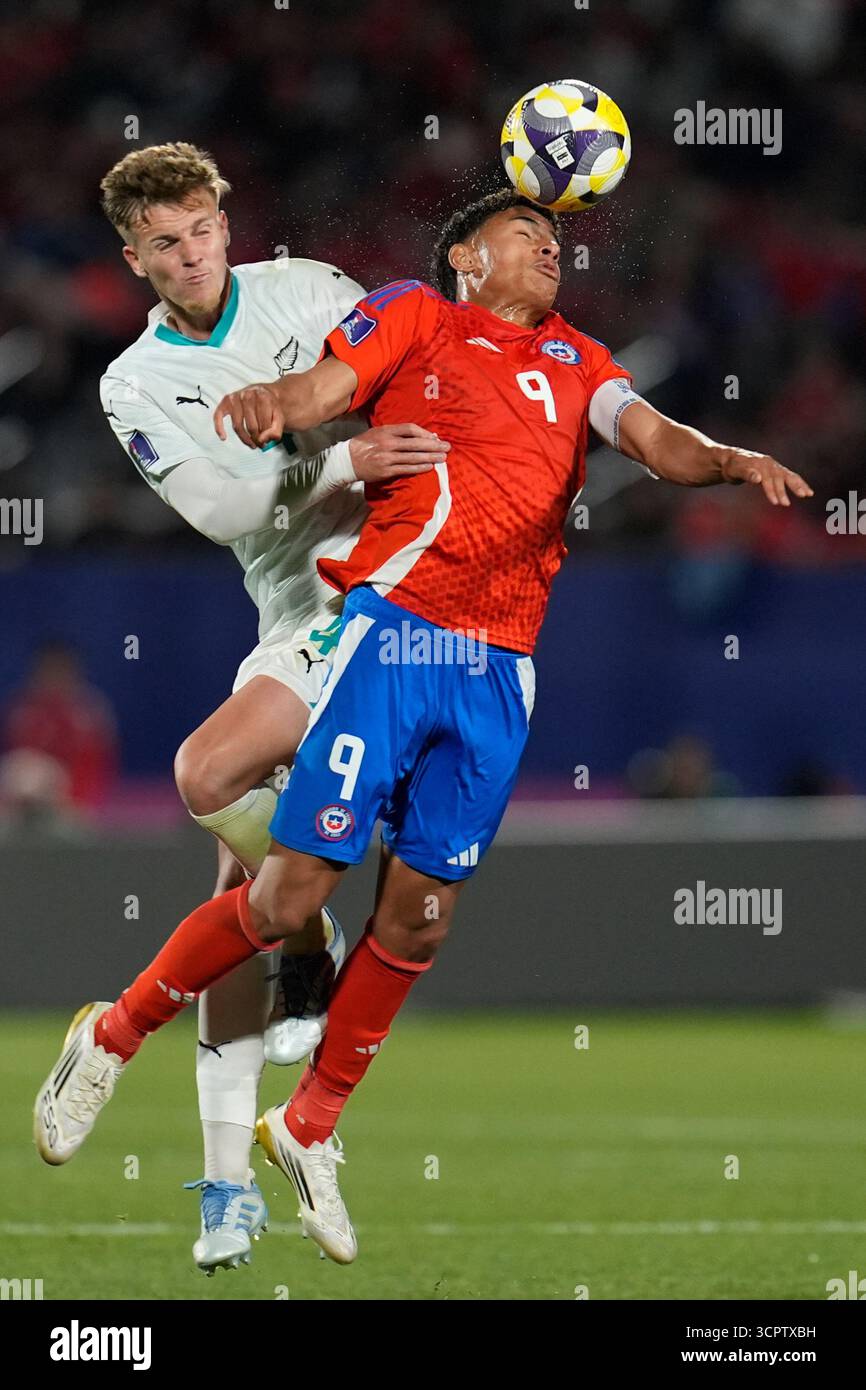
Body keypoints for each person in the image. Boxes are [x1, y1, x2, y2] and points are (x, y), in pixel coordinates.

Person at [35, 186, 813, 1268]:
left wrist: (727, 458)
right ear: (461, 257)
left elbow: (652, 437)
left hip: (498, 669)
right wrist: (283, 404)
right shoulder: (413, 313)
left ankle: (302, 1127)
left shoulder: (579, 360)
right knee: (280, 877)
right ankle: (113, 1036)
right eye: (521, 234)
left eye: (553, 237)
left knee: (420, 918)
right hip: (388, 634)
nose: (547, 247)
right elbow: (329, 382)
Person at [92, 141, 447, 1273]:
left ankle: (232, 1183)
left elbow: (420, 389)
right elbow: (221, 510)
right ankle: (241, 1168)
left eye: (199, 230)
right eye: (163, 244)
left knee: (223, 822)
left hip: (398, 587)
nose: (189, 255)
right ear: (134, 256)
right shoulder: (136, 381)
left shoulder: (313, 291)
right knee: (228, 842)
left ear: (222, 223)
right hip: (297, 612)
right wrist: (342, 462)